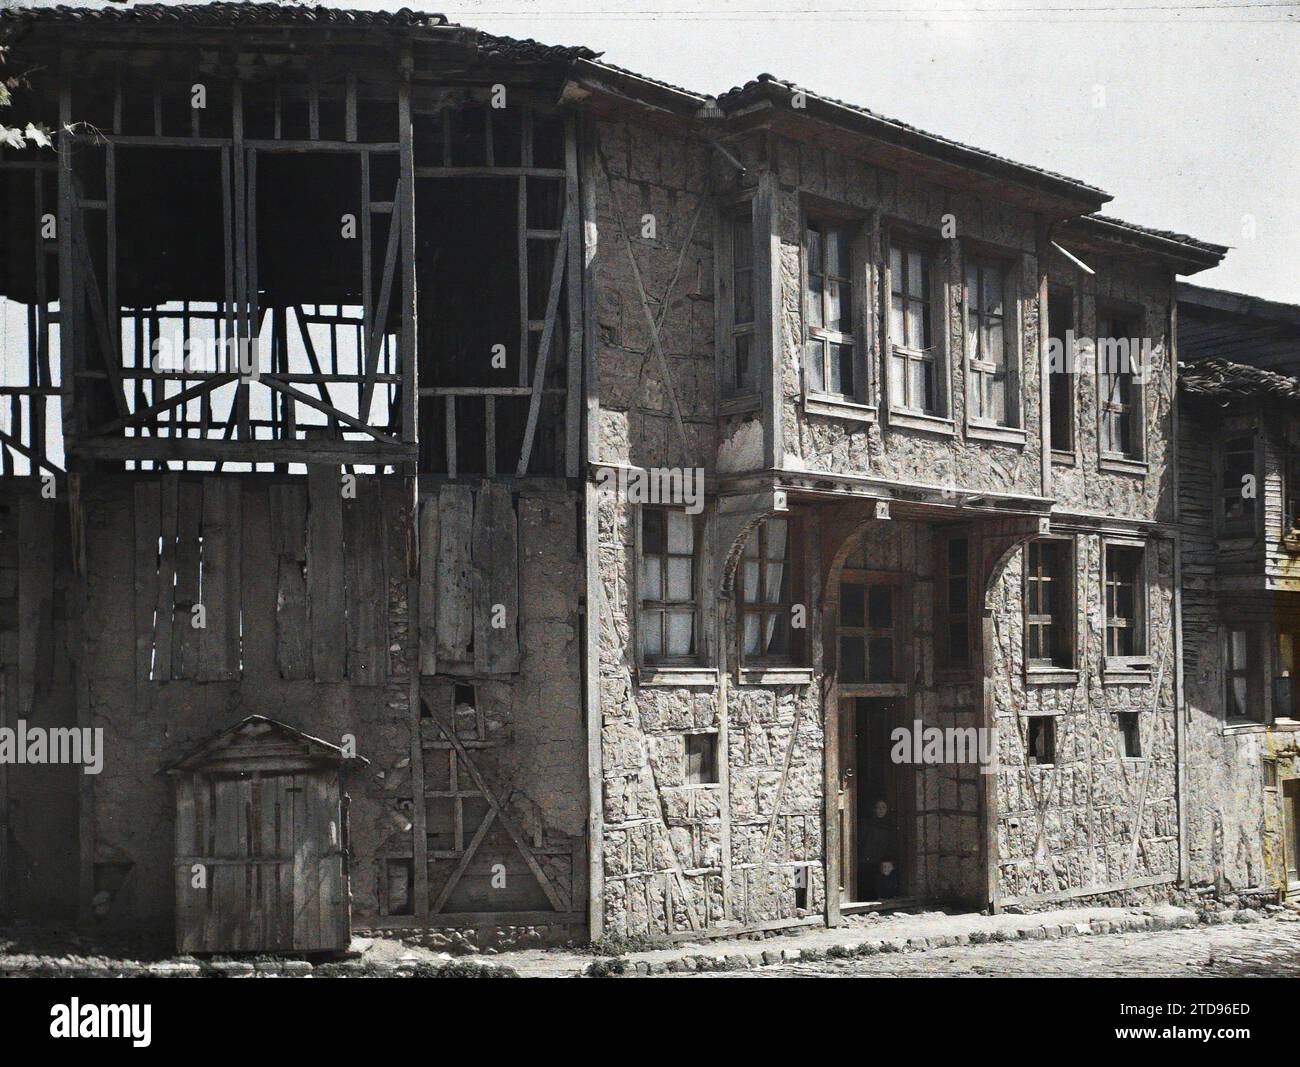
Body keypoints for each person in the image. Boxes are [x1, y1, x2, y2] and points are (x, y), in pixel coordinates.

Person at [860, 796, 895, 898]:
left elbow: (891, 842)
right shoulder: (867, 823)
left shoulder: (890, 824)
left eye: (883, 807)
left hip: (884, 856)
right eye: (878, 807)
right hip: (869, 857)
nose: (881, 810)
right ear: (874, 809)